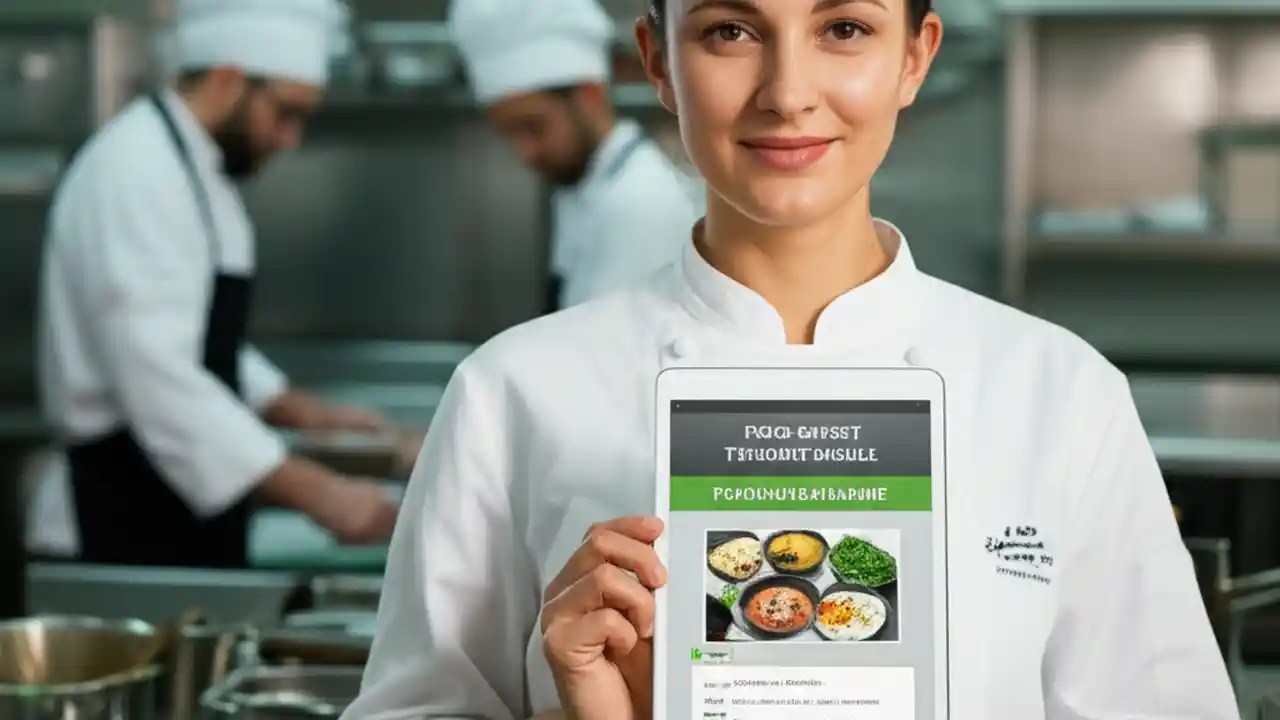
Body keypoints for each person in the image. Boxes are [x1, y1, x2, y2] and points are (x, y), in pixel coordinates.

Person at [347, 0, 1238, 717]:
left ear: (913, 59)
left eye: (843, 28)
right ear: (657, 60)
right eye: (730, 31)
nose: (787, 92)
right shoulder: (513, 391)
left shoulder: (1059, 392)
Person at [36, 0, 403, 569]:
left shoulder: (195, 169)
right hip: (122, 511)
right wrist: (320, 493)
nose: (290, 139)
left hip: (173, 500)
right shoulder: (135, 170)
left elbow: (191, 328)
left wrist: (297, 409)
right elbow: (158, 377)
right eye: (285, 113)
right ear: (230, 79)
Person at [448, 0, 703, 312]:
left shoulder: (639, 204)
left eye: (533, 127)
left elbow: (606, 352)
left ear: (590, 95)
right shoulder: (585, 185)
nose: (524, 152)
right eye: (509, 134)